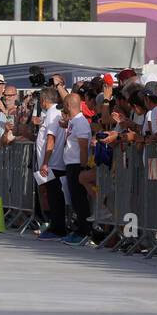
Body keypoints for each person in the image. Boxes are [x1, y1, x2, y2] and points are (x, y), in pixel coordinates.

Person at [34, 86, 68, 241]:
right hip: (54, 162)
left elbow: (50, 138)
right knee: (53, 196)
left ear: (43, 101)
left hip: (53, 162)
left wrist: (45, 162)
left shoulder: (52, 113)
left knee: (55, 197)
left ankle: (58, 228)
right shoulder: (54, 113)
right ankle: (56, 226)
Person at [61, 92, 92, 246]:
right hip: (71, 164)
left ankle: (84, 231)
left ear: (68, 106)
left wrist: (83, 166)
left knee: (80, 200)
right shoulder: (74, 121)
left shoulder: (80, 122)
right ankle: (80, 228)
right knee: (75, 199)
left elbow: (83, 146)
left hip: (77, 164)